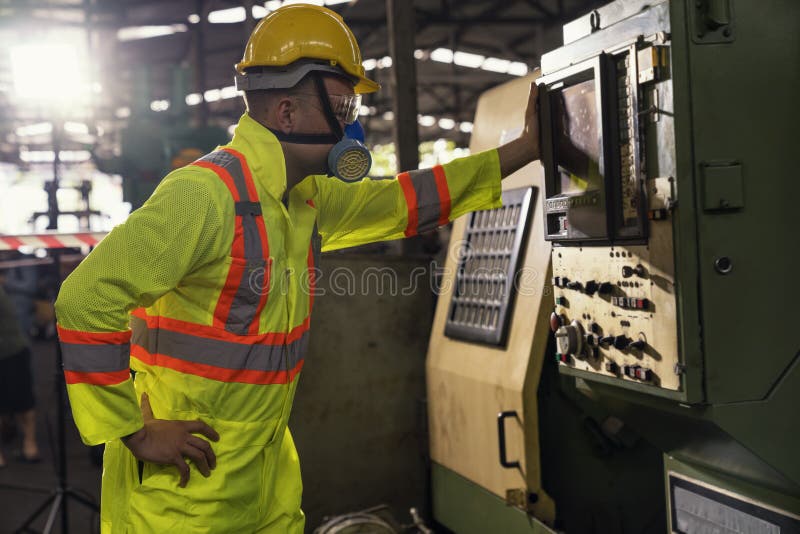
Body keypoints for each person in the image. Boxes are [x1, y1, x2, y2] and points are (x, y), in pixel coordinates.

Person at [54, 4, 541, 533]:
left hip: (262, 484)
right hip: (185, 493)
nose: (353, 121)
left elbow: (405, 200)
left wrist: (522, 151)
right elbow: (85, 301)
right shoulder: (203, 195)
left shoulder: (303, 198)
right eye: (343, 104)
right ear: (287, 113)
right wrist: (134, 433)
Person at [0, 284, 41, 467]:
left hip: (13, 350)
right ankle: (27, 445)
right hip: (12, 350)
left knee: (24, 401)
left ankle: (30, 444)